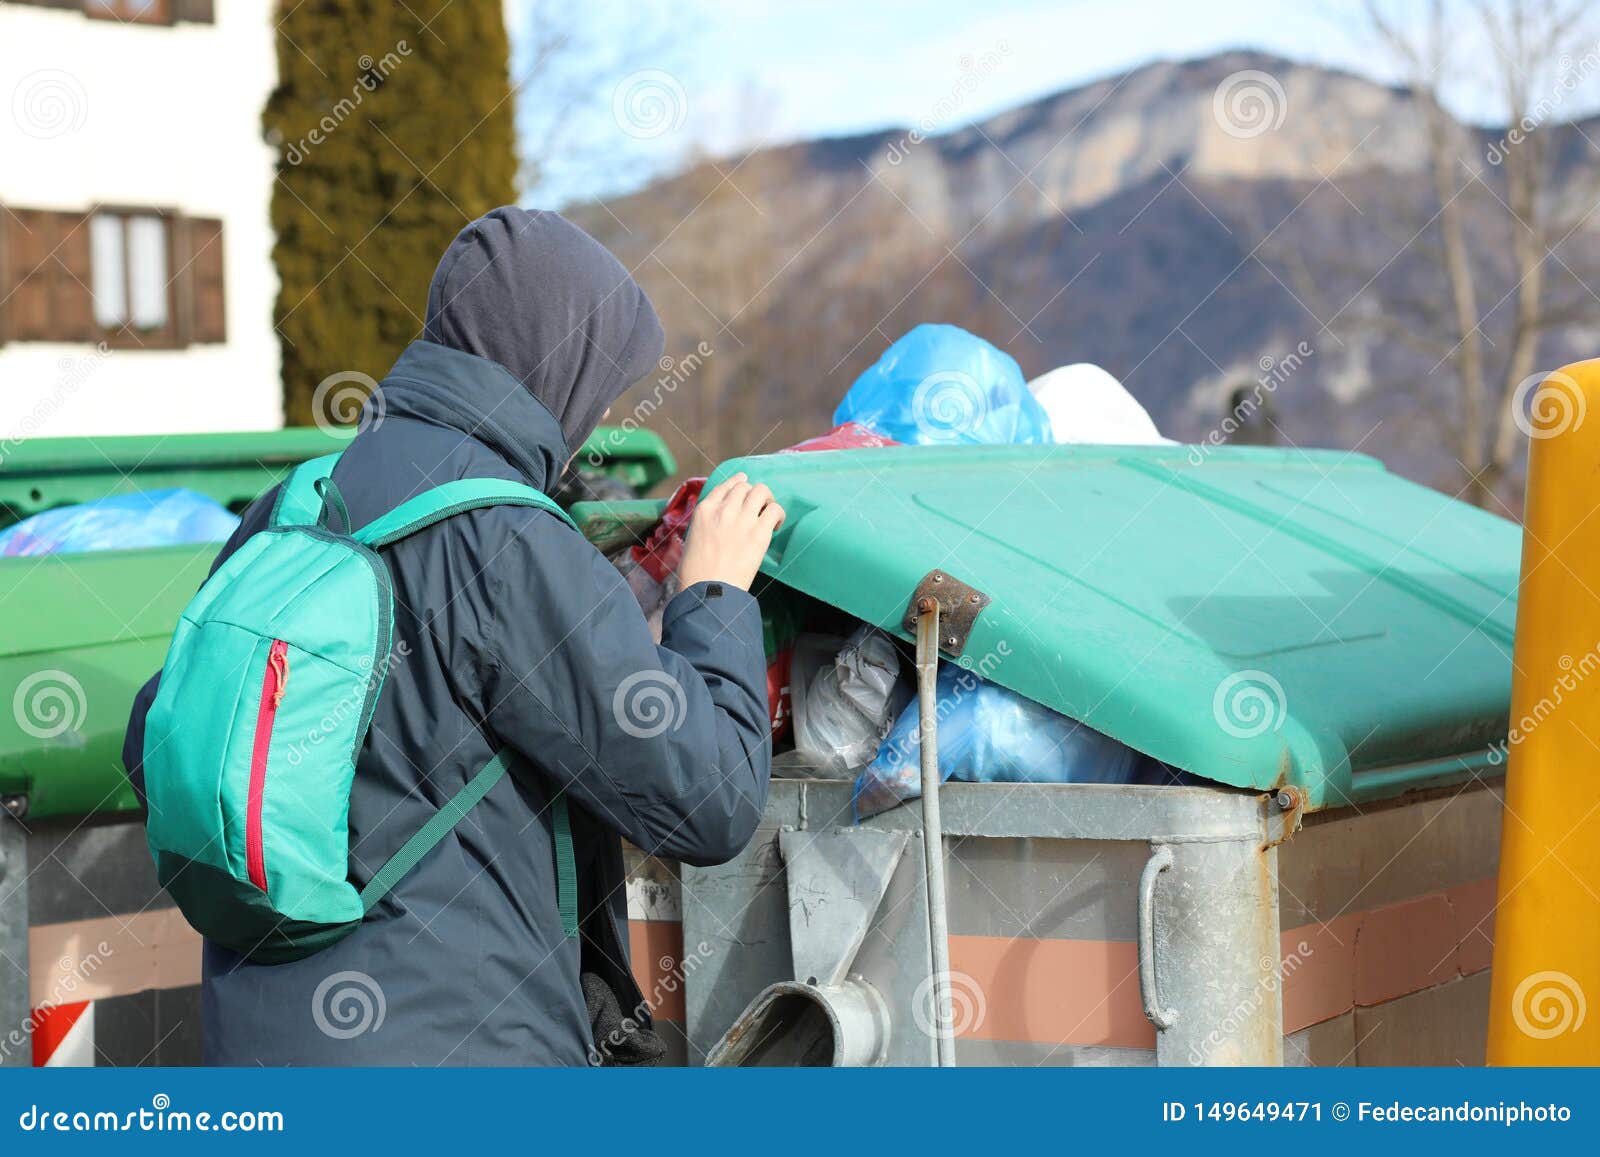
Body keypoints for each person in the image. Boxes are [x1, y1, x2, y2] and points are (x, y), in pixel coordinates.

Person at [122, 207, 783, 1066]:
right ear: (563, 365)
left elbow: (158, 734)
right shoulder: (506, 538)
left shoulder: (296, 502)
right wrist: (717, 591)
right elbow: (710, 797)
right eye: (603, 383)